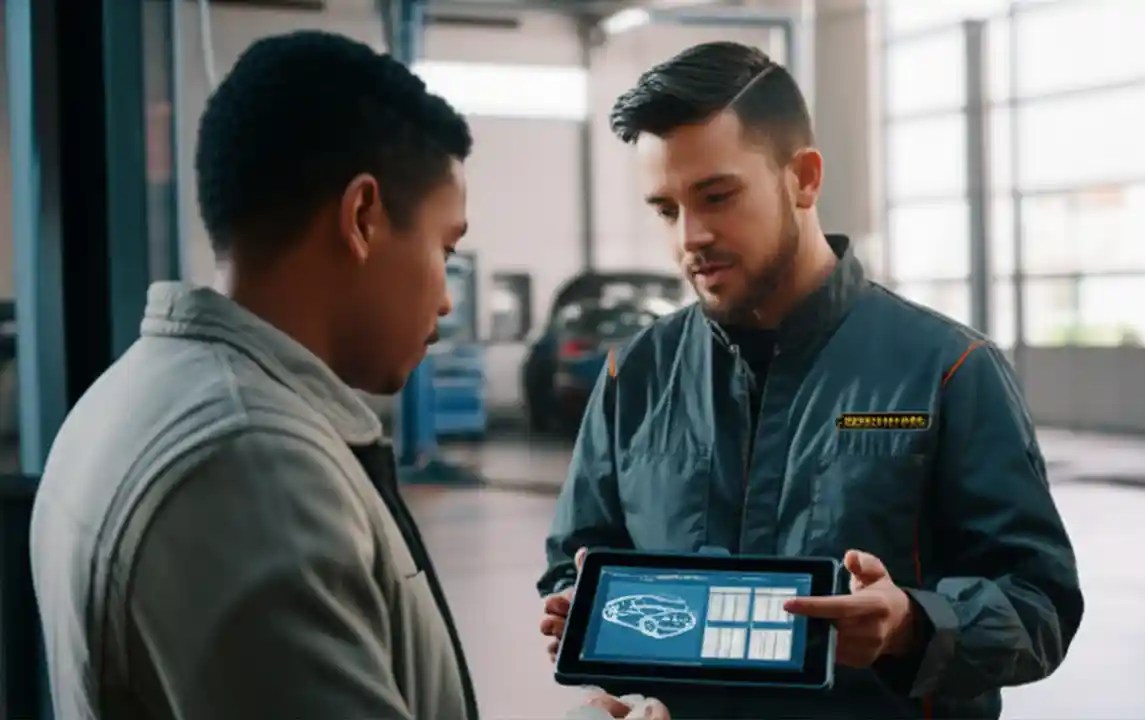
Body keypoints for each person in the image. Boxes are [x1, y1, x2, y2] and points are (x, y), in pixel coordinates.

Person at [29, 30, 662, 720]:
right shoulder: (250, 467)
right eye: (445, 250)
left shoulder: (132, 393)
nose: (447, 299)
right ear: (362, 217)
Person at [538, 41, 1083, 719]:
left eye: (717, 196)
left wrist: (912, 625)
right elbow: (575, 563)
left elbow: (1040, 603)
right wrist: (582, 619)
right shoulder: (636, 375)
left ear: (803, 178)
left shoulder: (947, 370)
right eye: (667, 210)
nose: (690, 238)